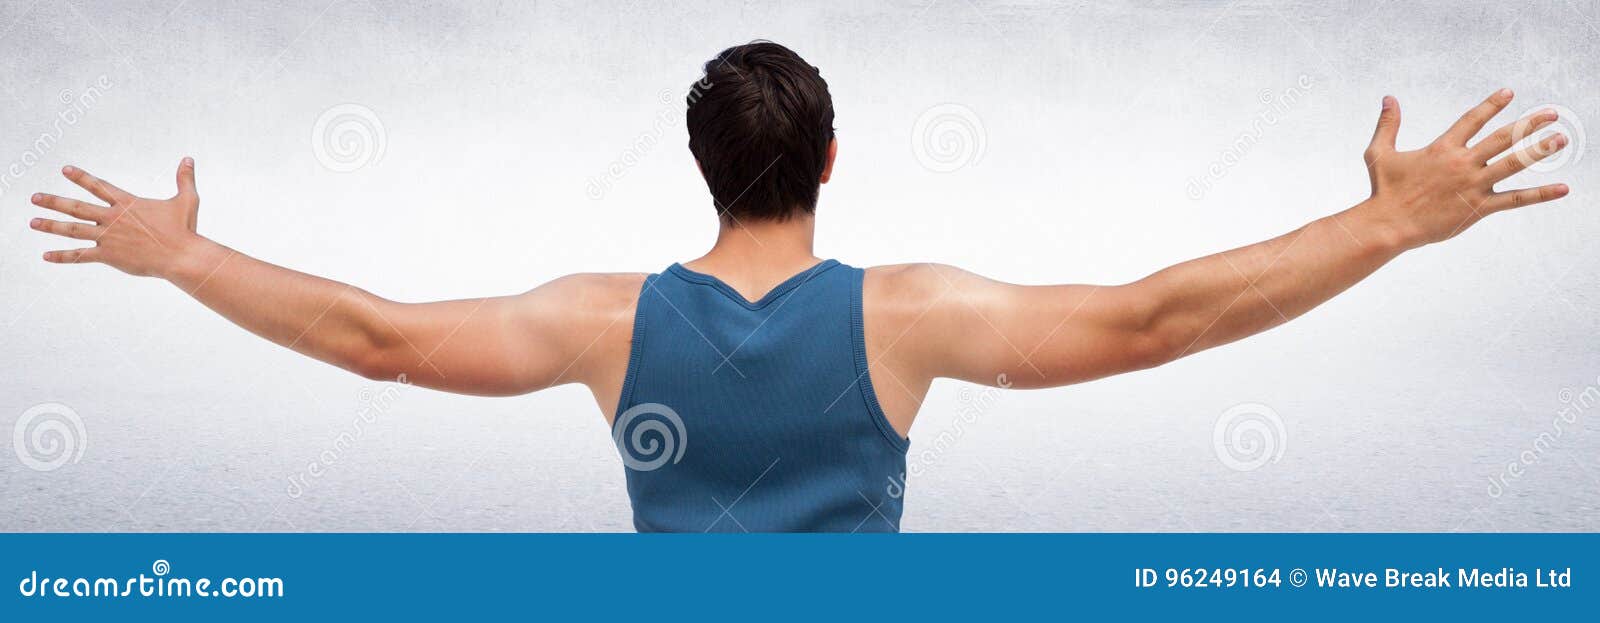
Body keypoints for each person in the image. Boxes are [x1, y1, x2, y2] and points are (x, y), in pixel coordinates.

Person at [27, 42, 1571, 532]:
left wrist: (184, 255)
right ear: (830, 158)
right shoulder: (907, 313)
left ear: (704, 164)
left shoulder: (602, 322)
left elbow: (369, 339)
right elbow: (1160, 318)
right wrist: (1387, 228)